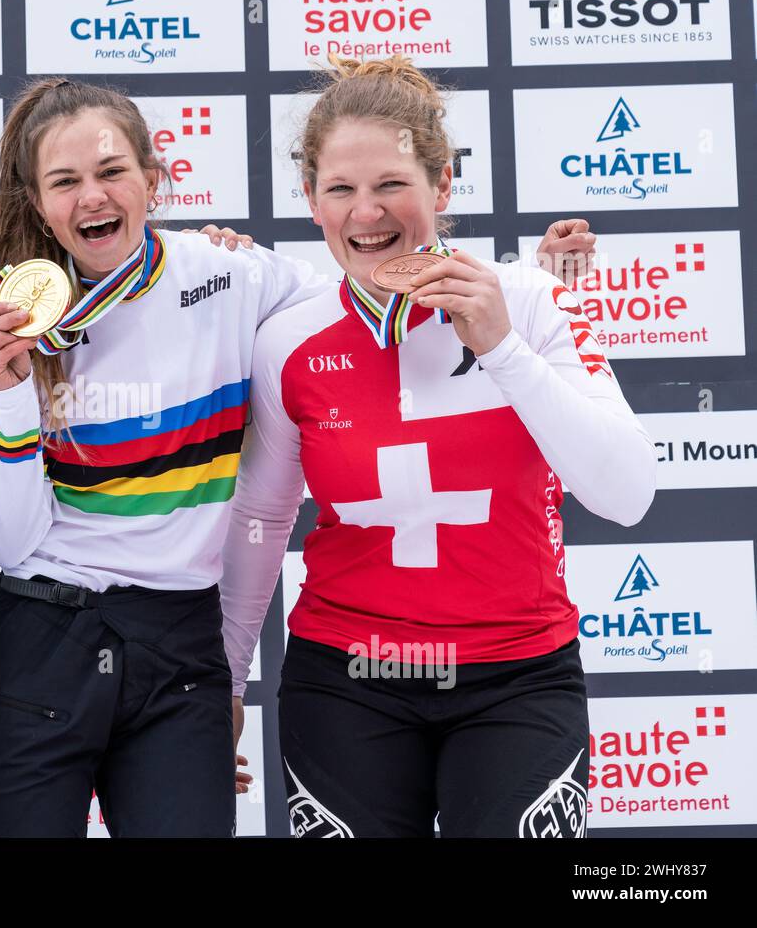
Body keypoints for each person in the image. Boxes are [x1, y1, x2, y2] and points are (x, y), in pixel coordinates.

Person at [219, 55, 657, 838]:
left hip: (516, 675)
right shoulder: (287, 338)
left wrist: (503, 349)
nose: (366, 214)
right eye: (340, 190)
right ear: (311, 201)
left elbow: (626, 494)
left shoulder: (527, 299)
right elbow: (260, 515)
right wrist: (225, 680)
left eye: (391, 184)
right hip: (348, 677)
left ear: (442, 187)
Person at [0, 78, 340, 837]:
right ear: (37, 203)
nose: (91, 196)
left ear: (152, 180)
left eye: (111, 171)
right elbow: (3, 541)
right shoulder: (3, 319)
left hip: (179, 650)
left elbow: (364, 294)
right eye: (64, 182)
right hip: (39, 640)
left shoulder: (228, 275)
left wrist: (535, 283)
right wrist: (6, 396)